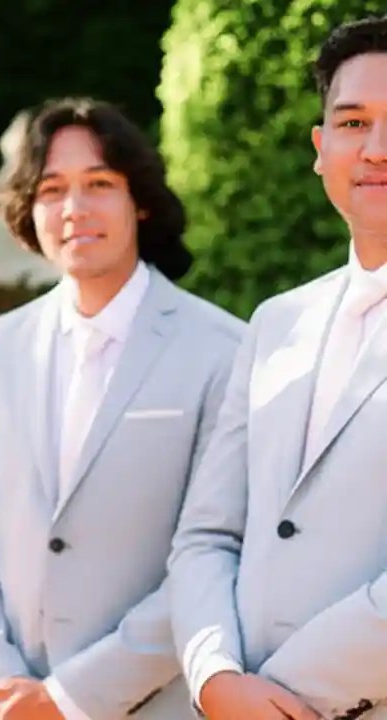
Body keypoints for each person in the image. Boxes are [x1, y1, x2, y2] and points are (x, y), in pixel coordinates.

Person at [0, 97, 243, 720]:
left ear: (138, 199)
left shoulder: (224, 352)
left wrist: (67, 699)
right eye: (52, 188)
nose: (74, 209)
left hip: (154, 705)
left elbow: (215, 556)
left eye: (99, 184)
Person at [169, 14, 387, 720]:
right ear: (321, 149)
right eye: (353, 124)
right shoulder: (276, 323)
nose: (376, 149)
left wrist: (286, 697)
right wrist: (212, 676)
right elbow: (207, 534)